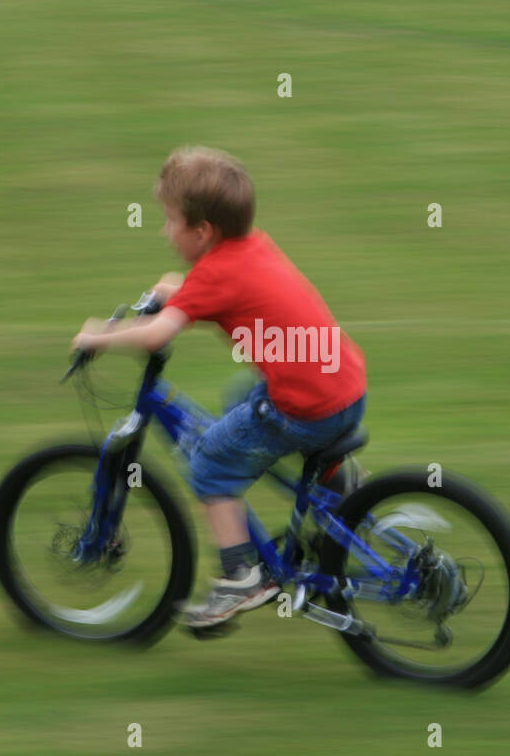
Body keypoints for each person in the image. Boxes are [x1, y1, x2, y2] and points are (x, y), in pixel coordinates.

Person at [70, 146, 366, 628]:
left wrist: (99, 336)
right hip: (344, 387)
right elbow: (220, 290)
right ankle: (343, 493)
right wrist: (176, 292)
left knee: (208, 465)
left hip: (305, 411)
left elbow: (157, 335)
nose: (165, 231)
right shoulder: (252, 247)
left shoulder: (216, 274)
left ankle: (242, 578)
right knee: (238, 398)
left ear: (203, 231)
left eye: (170, 221)